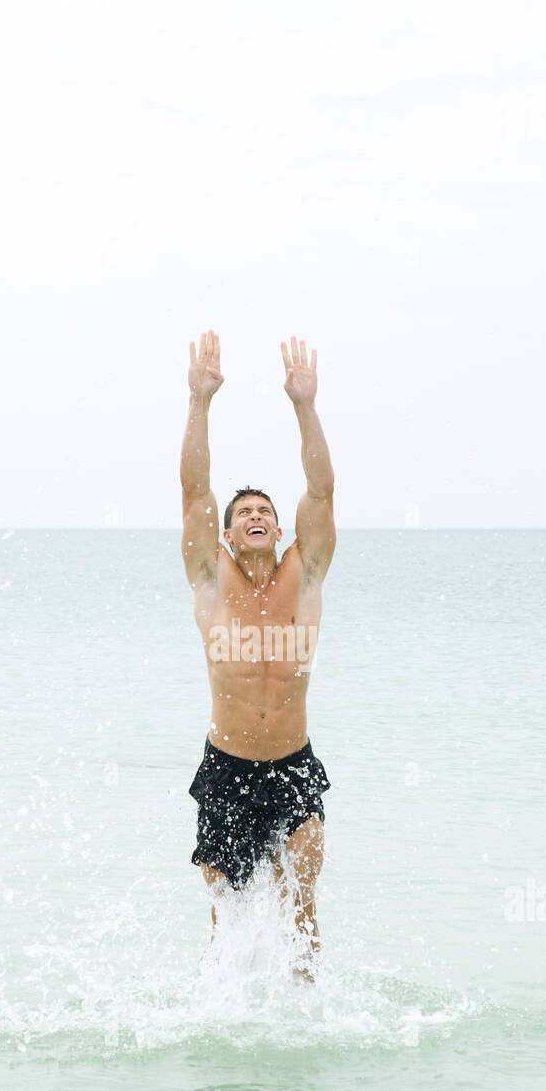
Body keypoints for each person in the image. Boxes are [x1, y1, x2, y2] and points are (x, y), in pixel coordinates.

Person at [180, 330, 336, 980]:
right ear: (226, 531)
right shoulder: (210, 578)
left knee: (302, 907)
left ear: (279, 529)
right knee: (230, 917)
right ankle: (226, 1019)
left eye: (264, 511)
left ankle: (306, 1016)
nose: (254, 515)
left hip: (293, 768)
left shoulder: (307, 570)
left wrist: (304, 406)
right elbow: (193, 493)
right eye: (243, 510)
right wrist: (199, 402)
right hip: (226, 771)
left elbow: (322, 493)